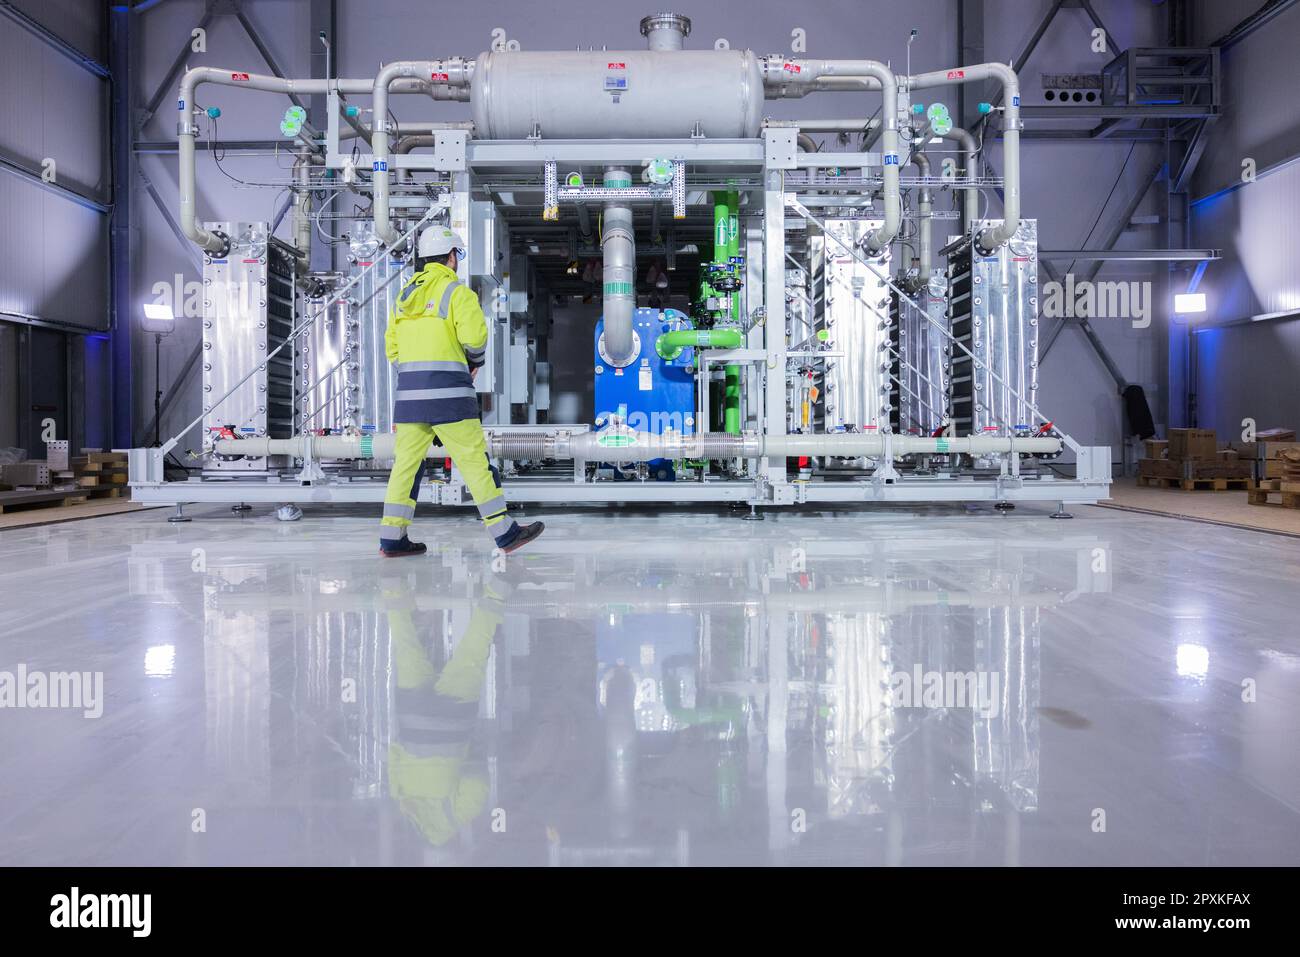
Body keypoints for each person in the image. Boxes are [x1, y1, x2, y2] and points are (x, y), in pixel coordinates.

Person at [379, 225, 544, 557]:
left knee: (405, 467)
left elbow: (392, 351)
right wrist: (474, 362)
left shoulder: (403, 298)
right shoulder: (456, 293)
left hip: (409, 398)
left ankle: (392, 539)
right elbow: (475, 339)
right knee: (474, 462)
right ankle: (505, 533)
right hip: (450, 397)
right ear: (452, 256)